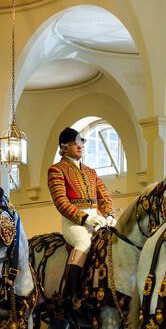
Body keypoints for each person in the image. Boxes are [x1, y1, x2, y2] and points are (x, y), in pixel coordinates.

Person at [47, 125, 115, 305]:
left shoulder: (91, 172)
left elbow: (104, 197)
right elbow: (61, 202)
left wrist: (109, 214)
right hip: (74, 223)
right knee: (83, 243)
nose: (80, 146)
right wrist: (85, 218)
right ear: (64, 147)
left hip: (98, 219)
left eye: (81, 143)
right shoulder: (56, 170)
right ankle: (71, 294)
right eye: (74, 143)